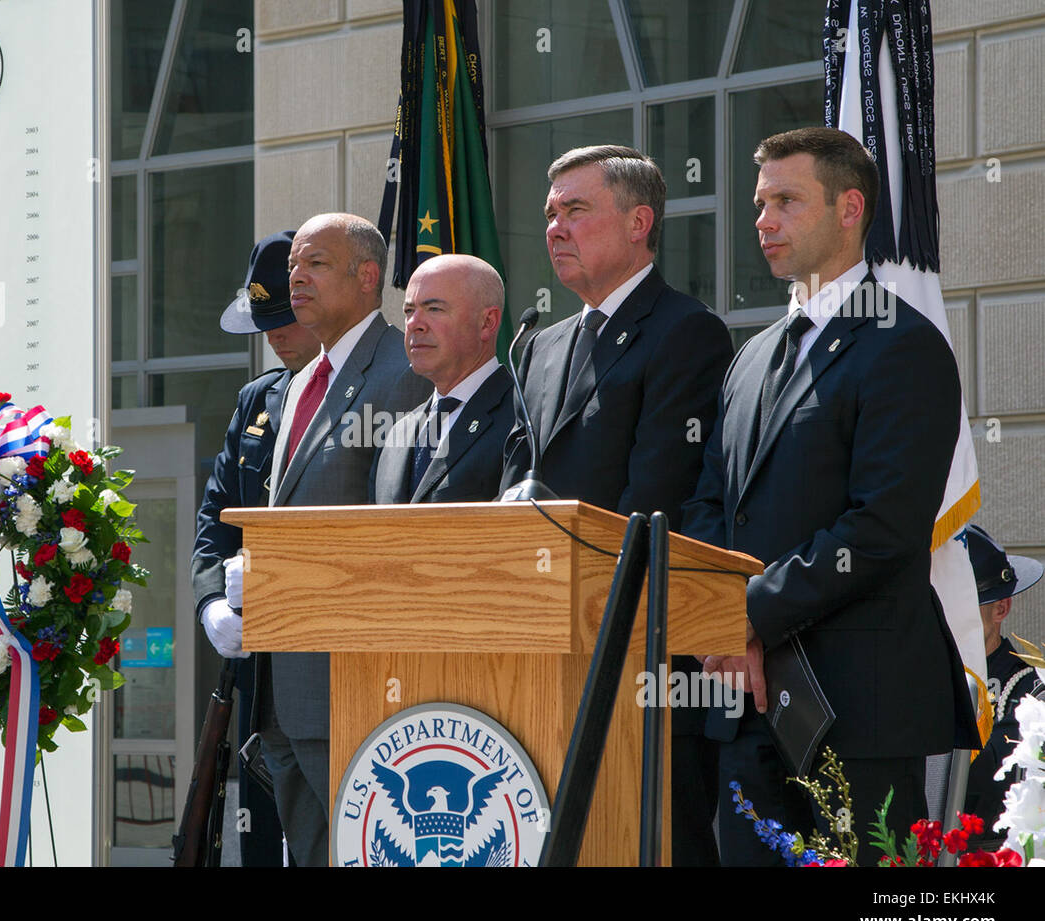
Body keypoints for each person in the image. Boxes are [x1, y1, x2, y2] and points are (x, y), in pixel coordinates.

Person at [682, 126, 980, 866]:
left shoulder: (902, 345)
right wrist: (724, 622)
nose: (763, 220)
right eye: (759, 203)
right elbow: (709, 505)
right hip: (746, 705)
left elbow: (883, 528)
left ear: (851, 208)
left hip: (858, 710)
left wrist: (750, 613)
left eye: (786, 200)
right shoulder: (750, 356)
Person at [500, 145, 734, 866]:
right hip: (544, 653)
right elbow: (517, 483)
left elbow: (655, 498)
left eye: (575, 210)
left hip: (638, 661)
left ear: (639, 222)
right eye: (549, 214)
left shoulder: (685, 331)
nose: (555, 229)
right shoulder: (538, 346)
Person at [255, 212, 431, 866]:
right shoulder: (301, 382)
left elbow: (403, 532)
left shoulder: (403, 371)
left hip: (354, 690)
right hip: (284, 687)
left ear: (367, 278)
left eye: (316, 264)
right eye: (295, 264)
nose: (295, 277)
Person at [190, 230, 320, 866]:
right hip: (257, 667)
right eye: (265, 322)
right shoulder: (256, 400)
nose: (275, 336)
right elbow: (216, 517)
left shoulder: (382, 385)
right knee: (261, 844)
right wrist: (212, 600)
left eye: (285, 319)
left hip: (328, 664)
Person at [372, 254, 513, 504]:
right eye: (409, 311)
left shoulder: (523, 419)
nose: (414, 324)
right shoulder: (398, 432)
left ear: (487, 322)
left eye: (434, 309)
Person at [961, 524, 1044, 845]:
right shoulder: (917, 680)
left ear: (1000, 608)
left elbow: (988, 779)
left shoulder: (1029, 687)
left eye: (962, 606)